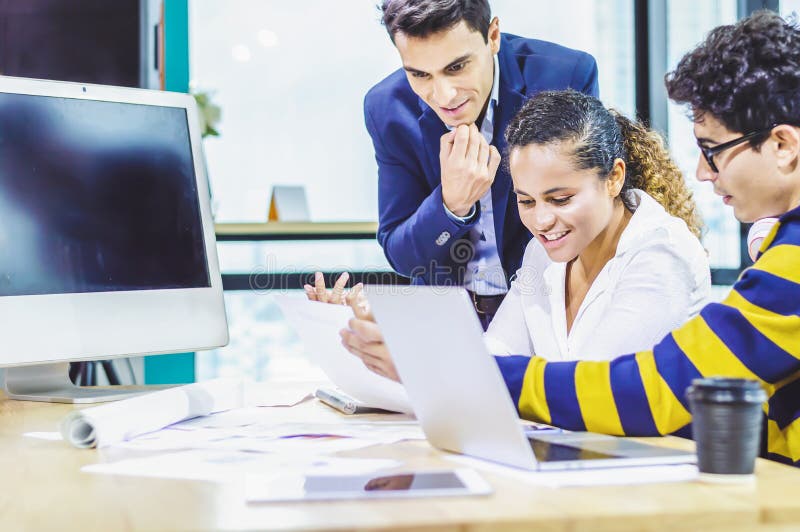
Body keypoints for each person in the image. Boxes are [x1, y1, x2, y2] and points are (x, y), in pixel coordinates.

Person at [347, 11, 800, 466]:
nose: (702, 172)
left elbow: (652, 389)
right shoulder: (540, 257)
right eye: (525, 202)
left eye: (712, 151)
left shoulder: (680, 253)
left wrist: (442, 368)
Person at [313, 0, 599, 328]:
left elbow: (586, 212)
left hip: (549, 311)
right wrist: (451, 206)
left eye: (456, 67)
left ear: (492, 35)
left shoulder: (564, 75)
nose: (444, 95)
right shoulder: (388, 108)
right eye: (420, 74)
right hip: (447, 321)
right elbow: (402, 254)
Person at [484, 90, 709, 361]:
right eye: (527, 201)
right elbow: (494, 354)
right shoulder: (539, 253)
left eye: (560, 199)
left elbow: (592, 385)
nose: (541, 221)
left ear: (614, 178)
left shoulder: (662, 253)